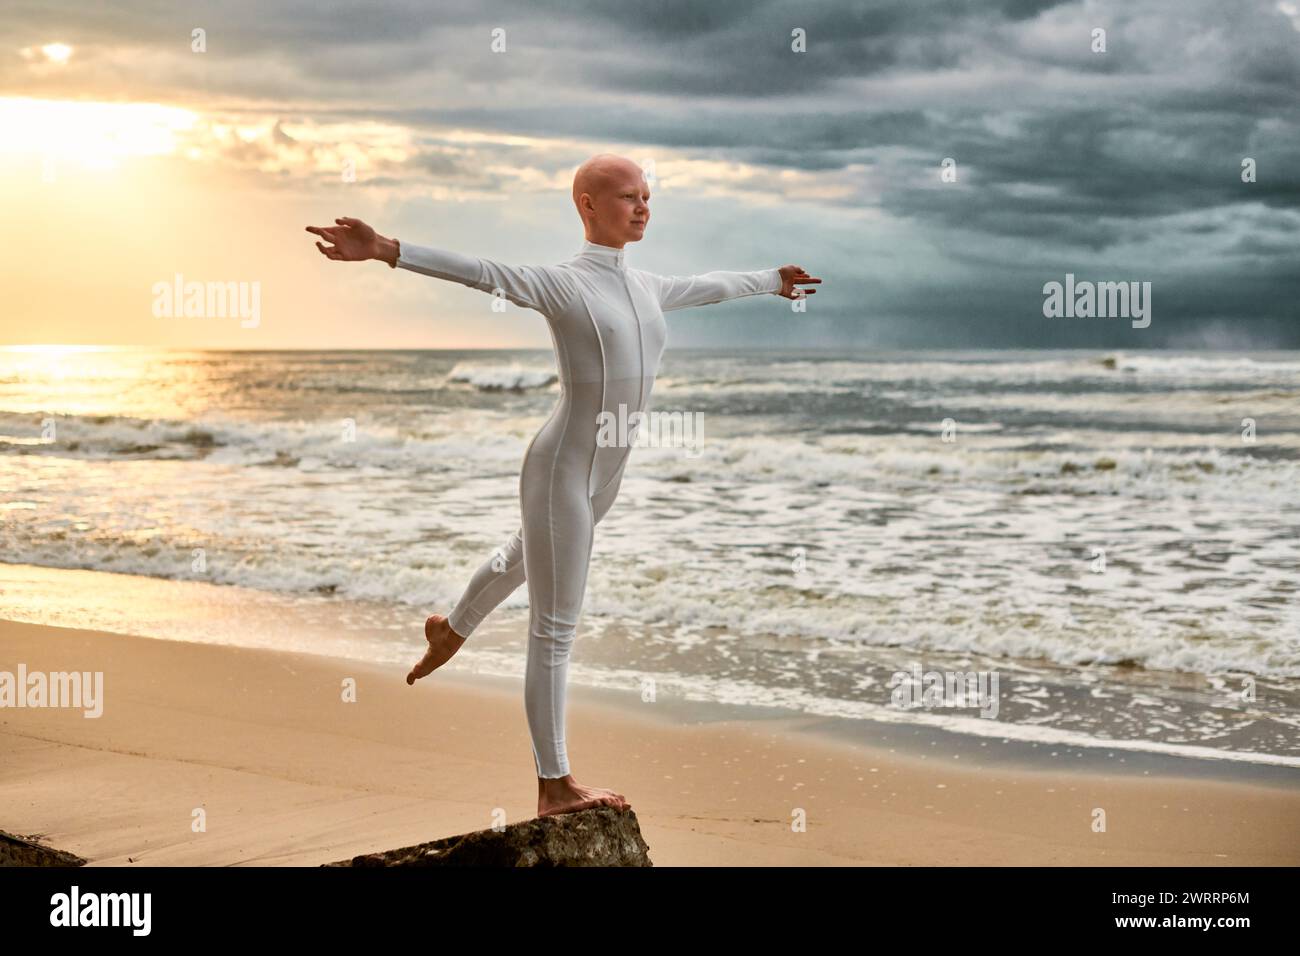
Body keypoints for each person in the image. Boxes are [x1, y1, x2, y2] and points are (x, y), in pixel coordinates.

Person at [306, 153, 820, 817]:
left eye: (646, 197)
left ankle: (450, 628)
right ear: (586, 204)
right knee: (555, 627)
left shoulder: (645, 287)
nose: (642, 208)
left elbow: (711, 285)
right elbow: (483, 272)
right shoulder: (562, 284)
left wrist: (772, 280)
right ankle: (553, 786)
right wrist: (384, 250)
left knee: (522, 557)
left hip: (603, 479)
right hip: (561, 469)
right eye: (627, 197)